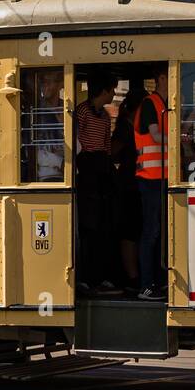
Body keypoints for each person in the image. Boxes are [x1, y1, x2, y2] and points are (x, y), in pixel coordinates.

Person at [75, 73, 117, 292]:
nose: (114, 94)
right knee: (89, 225)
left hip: (100, 166)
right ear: (104, 91)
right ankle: (87, 276)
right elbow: (78, 141)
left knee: (103, 224)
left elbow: (106, 144)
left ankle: (100, 275)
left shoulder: (105, 116)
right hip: (87, 166)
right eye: (112, 90)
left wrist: (108, 166)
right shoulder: (83, 112)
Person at [135, 71, 168, 300]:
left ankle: (159, 280)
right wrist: (179, 136)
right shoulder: (150, 104)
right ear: (162, 78)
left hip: (163, 178)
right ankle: (146, 286)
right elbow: (156, 136)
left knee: (162, 231)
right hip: (149, 179)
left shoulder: (165, 104)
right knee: (151, 232)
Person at [111, 84, 144, 293]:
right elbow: (113, 151)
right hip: (129, 184)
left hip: (138, 182)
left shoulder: (133, 125)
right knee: (130, 232)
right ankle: (132, 278)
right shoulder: (126, 127)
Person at [24, 70, 64, 181]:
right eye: (42, 82)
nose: (44, 86)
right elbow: (29, 150)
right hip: (44, 177)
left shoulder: (66, 109)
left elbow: (77, 144)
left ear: (61, 84)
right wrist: (59, 162)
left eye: (48, 82)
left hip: (69, 174)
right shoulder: (35, 111)